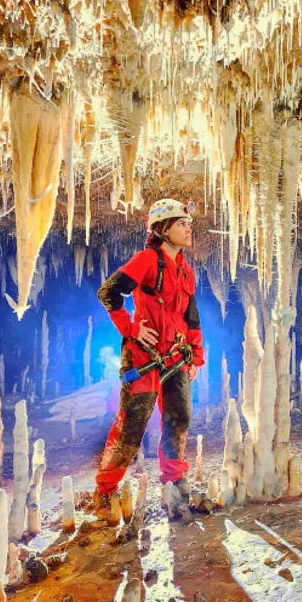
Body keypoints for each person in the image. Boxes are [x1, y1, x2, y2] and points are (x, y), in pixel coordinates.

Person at [94, 198, 204, 517]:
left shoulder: (185, 269)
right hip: (143, 359)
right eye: (181, 224)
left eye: (189, 224)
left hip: (175, 357)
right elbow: (109, 293)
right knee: (132, 426)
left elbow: (191, 316)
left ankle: (174, 480)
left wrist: (196, 354)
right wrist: (130, 328)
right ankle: (106, 490)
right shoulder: (146, 260)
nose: (188, 229)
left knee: (178, 420)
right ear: (163, 229)